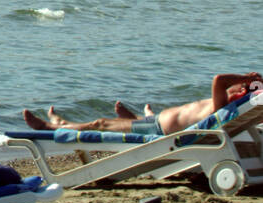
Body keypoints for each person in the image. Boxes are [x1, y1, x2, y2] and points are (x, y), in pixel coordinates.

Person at [22, 71, 263, 138]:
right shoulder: (223, 107)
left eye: (240, 89)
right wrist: (250, 82)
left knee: (101, 124)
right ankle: (62, 122)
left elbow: (219, 79)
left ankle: (52, 127)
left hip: (159, 131)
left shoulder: (220, 106)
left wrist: (247, 79)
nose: (239, 88)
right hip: (158, 123)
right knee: (119, 121)